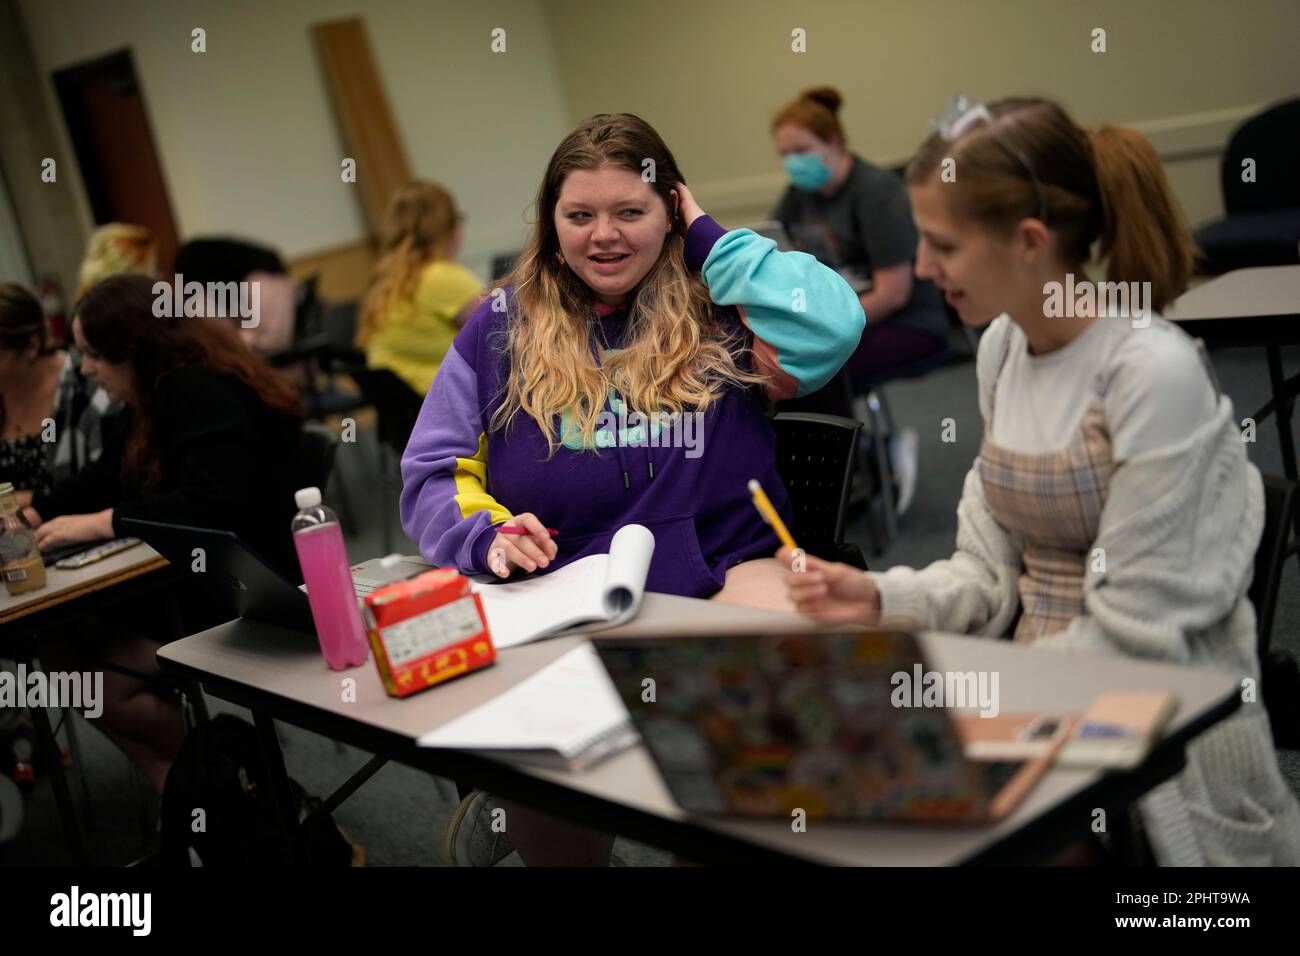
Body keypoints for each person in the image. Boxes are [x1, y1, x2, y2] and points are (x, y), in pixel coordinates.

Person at [780, 95, 1300, 866]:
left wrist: (958, 692)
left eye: (942, 246)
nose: (921, 268)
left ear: (1028, 242)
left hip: (1149, 736)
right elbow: (988, 576)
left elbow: (1137, 638)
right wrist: (881, 598)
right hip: (1030, 702)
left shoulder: (1148, 372)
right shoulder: (1003, 352)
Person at [402, 112, 863, 864]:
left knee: (770, 729)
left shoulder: (725, 309)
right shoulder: (496, 327)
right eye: (579, 215)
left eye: (631, 211)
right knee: (544, 784)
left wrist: (709, 237)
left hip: (720, 568)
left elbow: (835, 325)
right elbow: (432, 472)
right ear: (551, 224)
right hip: (561, 587)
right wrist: (486, 537)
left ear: (671, 210)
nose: (603, 235)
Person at [24, 273, 307, 792]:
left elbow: (210, 504)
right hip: (197, 574)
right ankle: (199, 795)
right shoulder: (158, 392)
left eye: (93, 354)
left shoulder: (200, 390)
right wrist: (34, 513)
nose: (85, 368)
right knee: (60, 651)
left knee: (94, 680)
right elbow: (106, 476)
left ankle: (205, 792)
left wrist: (103, 521)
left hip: (247, 585)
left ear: (135, 349)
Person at [770, 86, 952, 512]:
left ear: (835, 142)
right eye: (784, 153)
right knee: (778, 361)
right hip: (843, 317)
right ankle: (860, 455)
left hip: (909, 322)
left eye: (801, 149)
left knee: (818, 361)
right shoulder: (800, 195)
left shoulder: (877, 192)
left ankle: (846, 479)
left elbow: (893, 293)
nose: (792, 162)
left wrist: (825, 326)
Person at [356, 181, 483, 396]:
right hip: (448, 405)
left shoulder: (388, 280)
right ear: (449, 226)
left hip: (409, 409)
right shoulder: (440, 277)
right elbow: (508, 332)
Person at [0, 283, 115, 508]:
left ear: (31, 346)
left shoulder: (90, 383)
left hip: (87, 534)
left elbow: (111, 486)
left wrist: (24, 502)